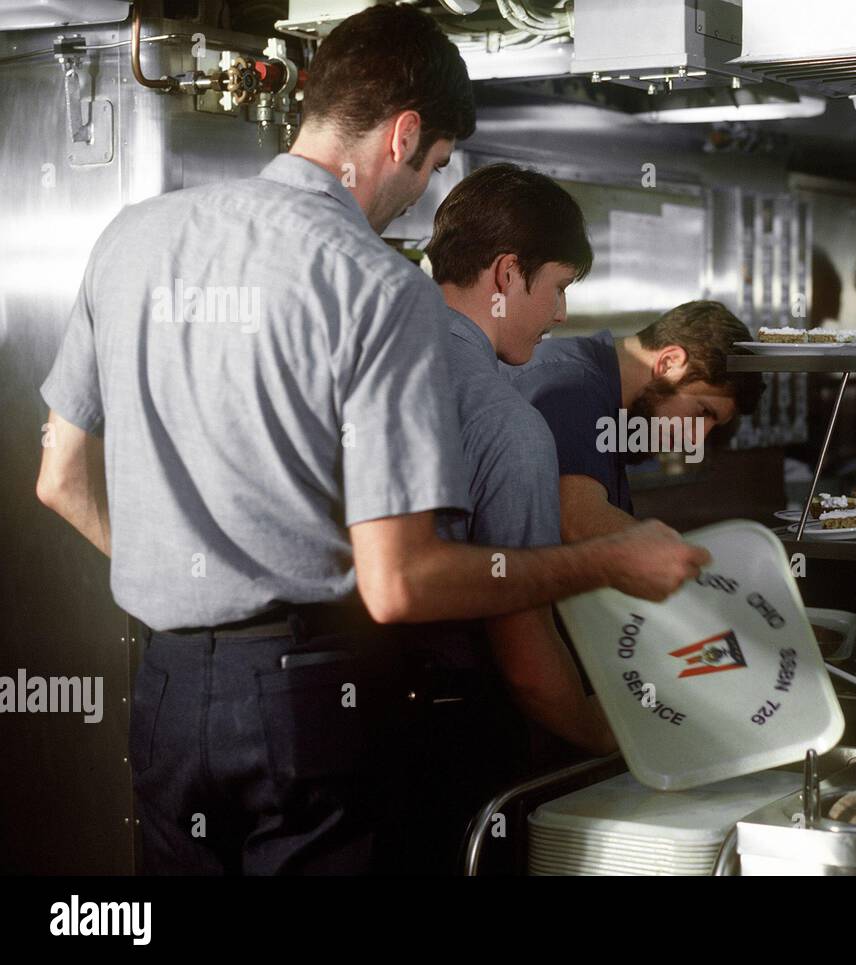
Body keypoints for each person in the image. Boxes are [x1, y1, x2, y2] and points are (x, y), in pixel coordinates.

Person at [35, 5, 706, 876]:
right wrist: (611, 562)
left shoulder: (130, 239)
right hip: (307, 698)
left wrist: (190, 579)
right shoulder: (376, 287)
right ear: (404, 134)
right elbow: (400, 582)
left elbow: (59, 480)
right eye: (430, 167)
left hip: (163, 695)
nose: (422, 190)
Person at [421, 163, 615, 836]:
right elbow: (526, 654)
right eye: (558, 286)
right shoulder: (507, 424)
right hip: (455, 741)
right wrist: (617, 738)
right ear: (507, 275)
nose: (560, 314)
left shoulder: (364, 358)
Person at [507, 301, 766, 541]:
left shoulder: (609, 402)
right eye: (702, 412)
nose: (695, 439)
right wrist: (688, 563)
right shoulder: (572, 388)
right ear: (669, 363)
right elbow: (578, 520)